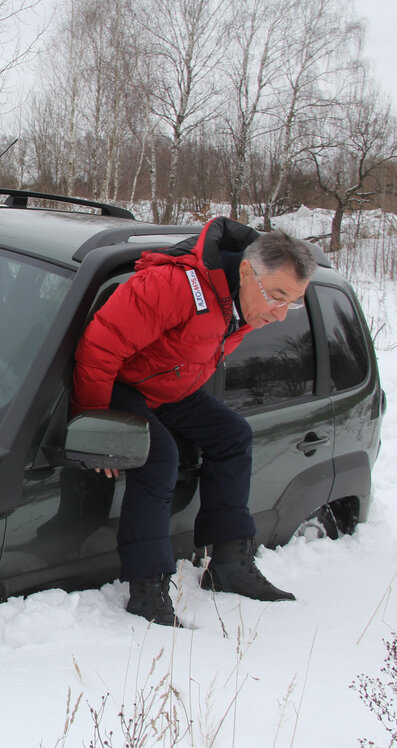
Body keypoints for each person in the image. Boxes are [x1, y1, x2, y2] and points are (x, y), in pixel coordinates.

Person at [72, 217, 318, 626]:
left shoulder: (237, 299)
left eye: (291, 303)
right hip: (120, 382)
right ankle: (147, 586)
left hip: (167, 385)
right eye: (277, 296)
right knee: (160, 453)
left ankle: (229, 564)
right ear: (245, 270)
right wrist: (97, 425)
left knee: (233, 435)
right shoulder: (172, 286)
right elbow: (99, 348)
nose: (279, 315)